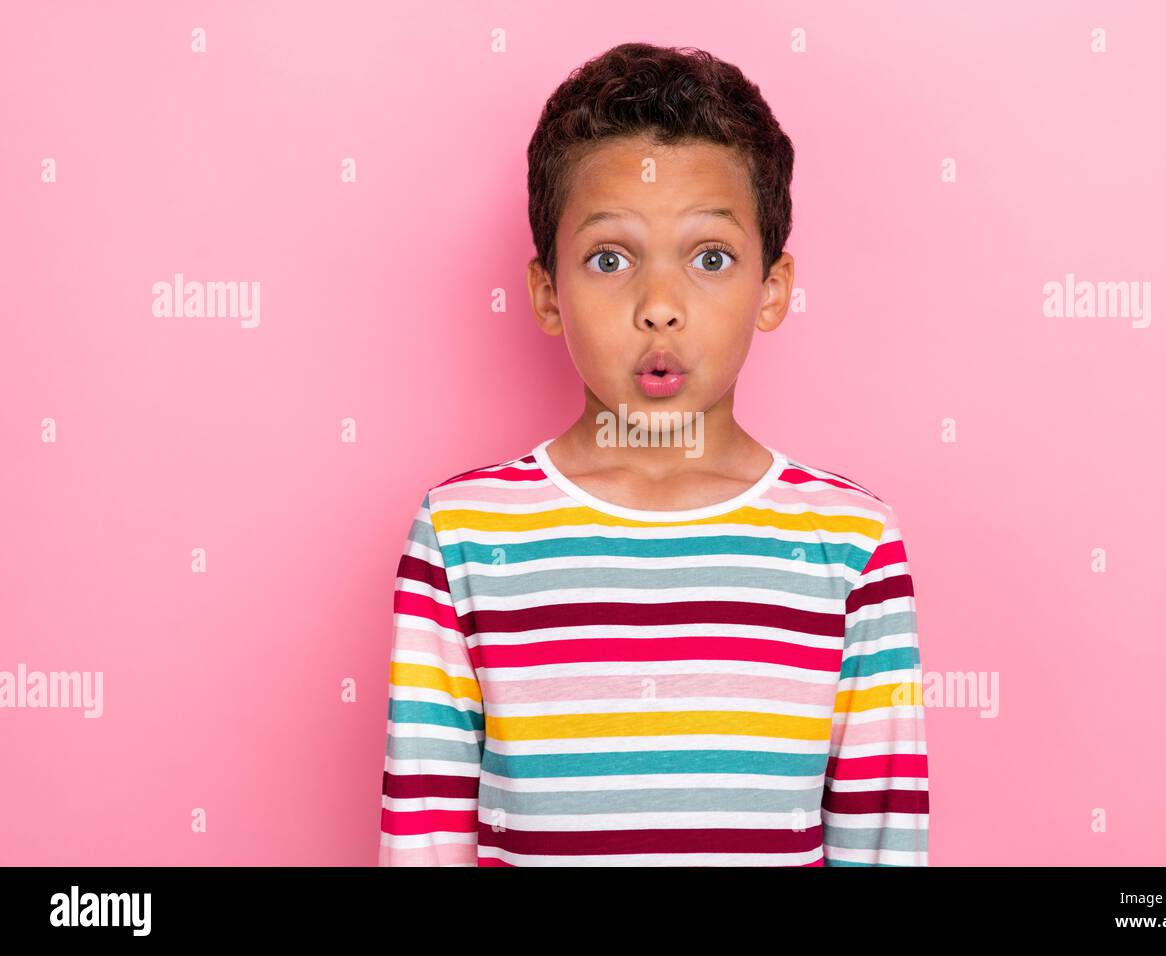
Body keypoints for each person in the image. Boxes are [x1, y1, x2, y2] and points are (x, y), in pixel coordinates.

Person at [378, 41, 927, 866]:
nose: (660, 307)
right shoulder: (462, 536)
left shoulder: (853, 544)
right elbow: (423, 843)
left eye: (711, 258)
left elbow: (883, 843)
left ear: (771, 288)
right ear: (546, 293)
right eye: (610, 259)